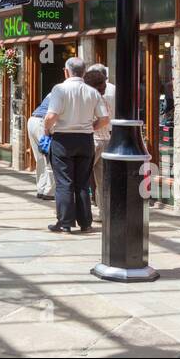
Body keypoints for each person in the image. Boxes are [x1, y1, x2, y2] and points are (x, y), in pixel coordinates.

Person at [42, 57, 109, 234]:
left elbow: (51, 116)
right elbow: (104, 119)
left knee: (64, 182)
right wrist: (90, 127)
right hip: (85, 140)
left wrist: (46, 129)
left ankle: (65, 222)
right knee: (82, 183)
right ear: (84, 72)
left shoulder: (60, 89)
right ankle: (85, 222)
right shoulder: (92, 92)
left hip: (63, 139)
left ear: (66, 71)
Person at [84, 64, 116, 218]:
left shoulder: (92, 94)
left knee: (81, 177)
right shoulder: (114, 90)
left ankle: (81, 213)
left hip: (94, 139)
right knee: (103, 180)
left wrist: (88, 127)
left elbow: (102, 118)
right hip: (109, 138)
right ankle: (105, 213)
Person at [26, 95, 54, 200]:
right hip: (42, 122)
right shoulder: (64, 92)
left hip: (32, 120)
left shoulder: (55, 91)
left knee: (40, 159)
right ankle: (49, 192)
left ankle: (41, 189)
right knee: (50, 159)